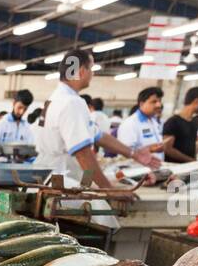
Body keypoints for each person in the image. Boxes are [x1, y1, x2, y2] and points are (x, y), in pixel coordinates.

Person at [33, 48, 157, 187]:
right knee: (102, 205)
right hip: (61, 178)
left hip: (51, 174)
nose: (93, 74)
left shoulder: (57, 98)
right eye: (91, 69)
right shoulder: (72, 102)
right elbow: (83, 153)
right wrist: (109, 190)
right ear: (81, 71)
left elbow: (98, 135)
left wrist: (134, 153)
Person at [118, 86, 167, 161]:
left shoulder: (153, 122)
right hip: (138, 170)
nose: (158, 105)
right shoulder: (130, 123)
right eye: (154, 102)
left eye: (159, 101)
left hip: (155, 169)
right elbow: (125, 152)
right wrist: (150, 149)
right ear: (141, 104)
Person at [162, 86, 198, 163]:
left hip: (191, 167)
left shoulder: (195, 121)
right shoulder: (173, 122)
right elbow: (167, 149)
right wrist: (190, 161)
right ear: (196, 101)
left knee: (196, 175)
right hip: (176, 169)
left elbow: (193, 146)